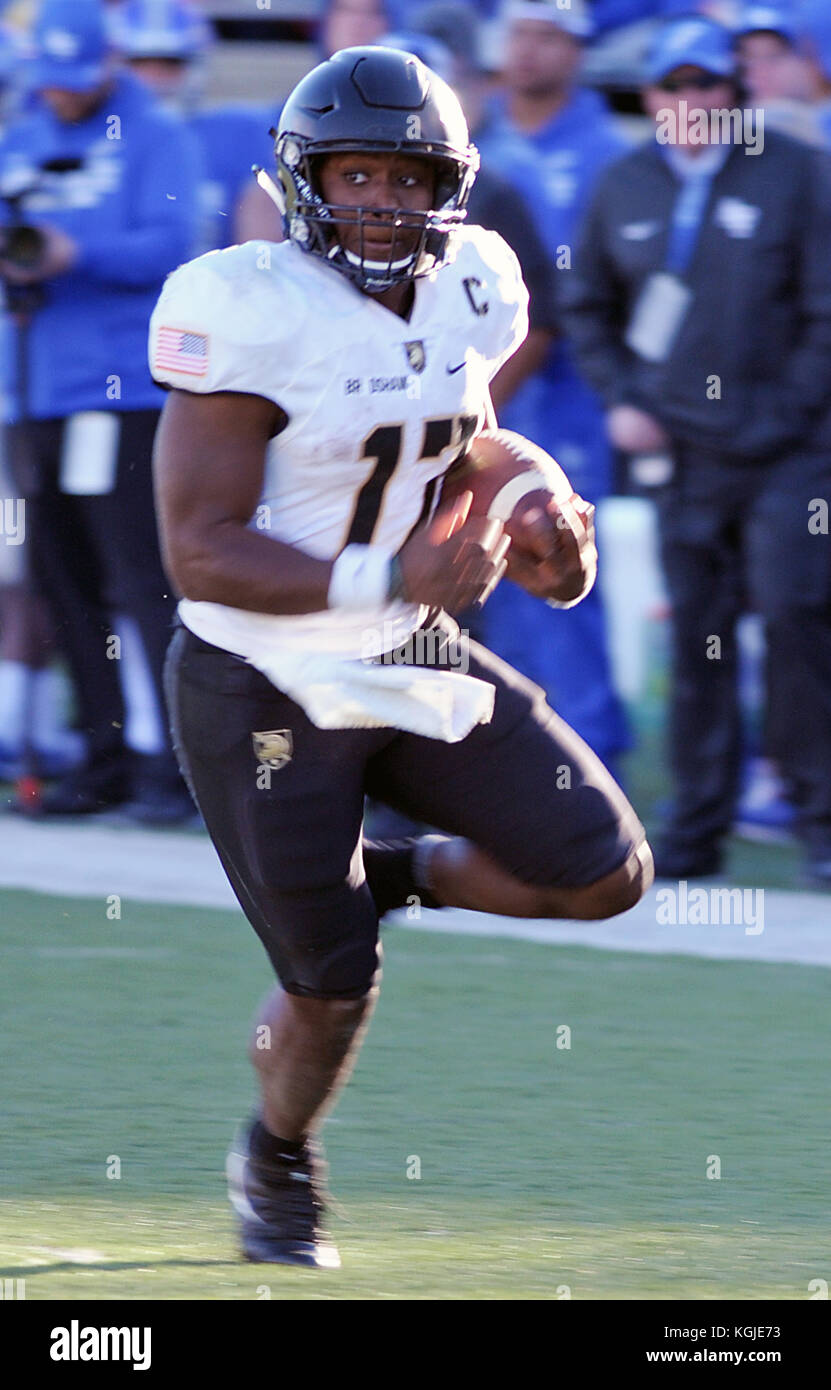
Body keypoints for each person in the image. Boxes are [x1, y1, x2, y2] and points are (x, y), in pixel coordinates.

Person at [151, 45, 653, 1269]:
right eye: (356, 171)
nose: (383, 198)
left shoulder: (472, 280)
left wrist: (538, 499)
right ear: (305, 176)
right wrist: (396, 574)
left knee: (605, 871)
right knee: (331, 988)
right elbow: (199, 551)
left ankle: (396, 874)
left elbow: (469, 436)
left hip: (404, 643)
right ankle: (276, 1158)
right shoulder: (244, 304)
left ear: (451, 186)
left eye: (410, 175)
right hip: (264, 674)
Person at [562, 14, 831, 886]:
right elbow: (585, 306)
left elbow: (826, 313)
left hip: (789, 451)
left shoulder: (799, 176)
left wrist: (784, 412)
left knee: (794, 620)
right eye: (674, 86)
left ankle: (818, 822)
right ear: (650, 97)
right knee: (697, 640)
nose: (691, 102)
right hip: (679, 450)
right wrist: (620, 400)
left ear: (736, 94)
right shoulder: (623, 185)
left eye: (707, 84)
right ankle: (695, 829)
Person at [0, 0, 202, 820]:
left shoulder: (157, 135)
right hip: (36, 389)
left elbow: (173, 247)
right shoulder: (21, 130)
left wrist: (74, 253)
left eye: (76, 83)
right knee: (61, 578)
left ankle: (177, 766)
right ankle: (104, 755)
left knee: (141, 581)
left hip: (124, 395)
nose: (63, 98)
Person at [472, 0, 632, 779]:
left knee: (562, 575)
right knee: (480, 590)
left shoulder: (605, 152)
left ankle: (591, 769)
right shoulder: (473, 137)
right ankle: (506, 777)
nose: (531, 51)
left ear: (577, 49)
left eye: (549, 35)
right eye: (520, 33)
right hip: (474, 398)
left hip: (566, 398)